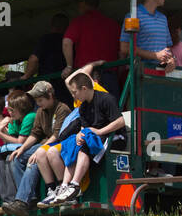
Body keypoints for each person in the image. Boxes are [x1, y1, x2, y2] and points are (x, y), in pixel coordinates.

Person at [40, 72, 125, 206]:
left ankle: (74, 185)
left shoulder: (106, 99)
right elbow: (85, 127)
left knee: (84, 146)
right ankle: (65, 186)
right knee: (73, 145)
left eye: (74, 93)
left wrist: (99, 131)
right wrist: (80, 135)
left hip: (113, 137)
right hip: (95, 137)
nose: (73, 96)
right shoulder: (83, 107)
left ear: (84, 89)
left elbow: (120, 122)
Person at [0, 81, 74, 216]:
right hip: (43, 144)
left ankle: (22, 201)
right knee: (17, 158)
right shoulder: (40, 111)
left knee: (34, 160)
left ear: (50, 96)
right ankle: (30, 198)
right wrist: (22, 149)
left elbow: (57, 135)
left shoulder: (62, 109)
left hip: (59, 144)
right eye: (37, 101)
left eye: (41, 100)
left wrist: (41, 148)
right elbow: (35, 134)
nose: (38, 104)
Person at [63, 0, 122, 97]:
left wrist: (69, 66)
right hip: (109, 76)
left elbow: (67, 43)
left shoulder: (78, 22)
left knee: (87, 112)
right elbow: (122, 51)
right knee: (112, 111)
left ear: (83, 3)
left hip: (85, 78)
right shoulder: (113, 25)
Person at [119, 0, 175, 71]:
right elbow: (124, 48)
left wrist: (172, 59)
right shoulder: (133, 16)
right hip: (140, 73)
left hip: (160, 74)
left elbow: (167, 47)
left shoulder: (163, 18)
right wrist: (155, 55)